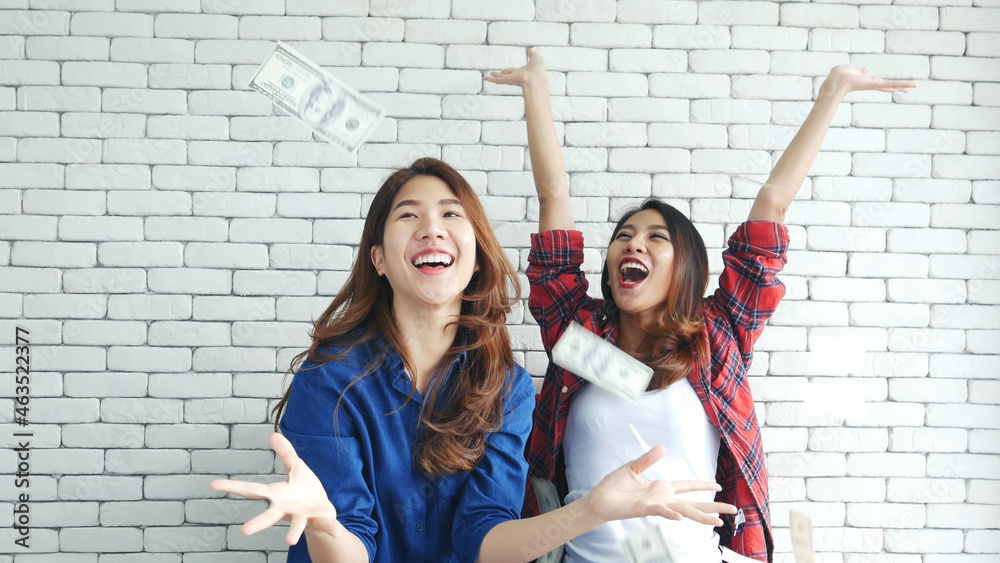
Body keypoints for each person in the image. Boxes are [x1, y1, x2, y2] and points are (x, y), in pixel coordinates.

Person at [486, 51, 914, 562]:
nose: (632, 244)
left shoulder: (715, 338)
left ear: (684, 266)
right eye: (623, 236)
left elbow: (771, 205)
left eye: (655, 237)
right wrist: (537, 90)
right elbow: (553, 195)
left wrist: (832, 94)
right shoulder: (581, 338)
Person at [209, 157, 736, 563]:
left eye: (450, 215)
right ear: (380, 260)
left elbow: (484, 538)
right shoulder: (330, 379)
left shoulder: (506, 387)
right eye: (408, 215)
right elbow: (354, 550)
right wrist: (325, 523)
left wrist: (590, 511)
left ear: (476, 254)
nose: (432, 228)